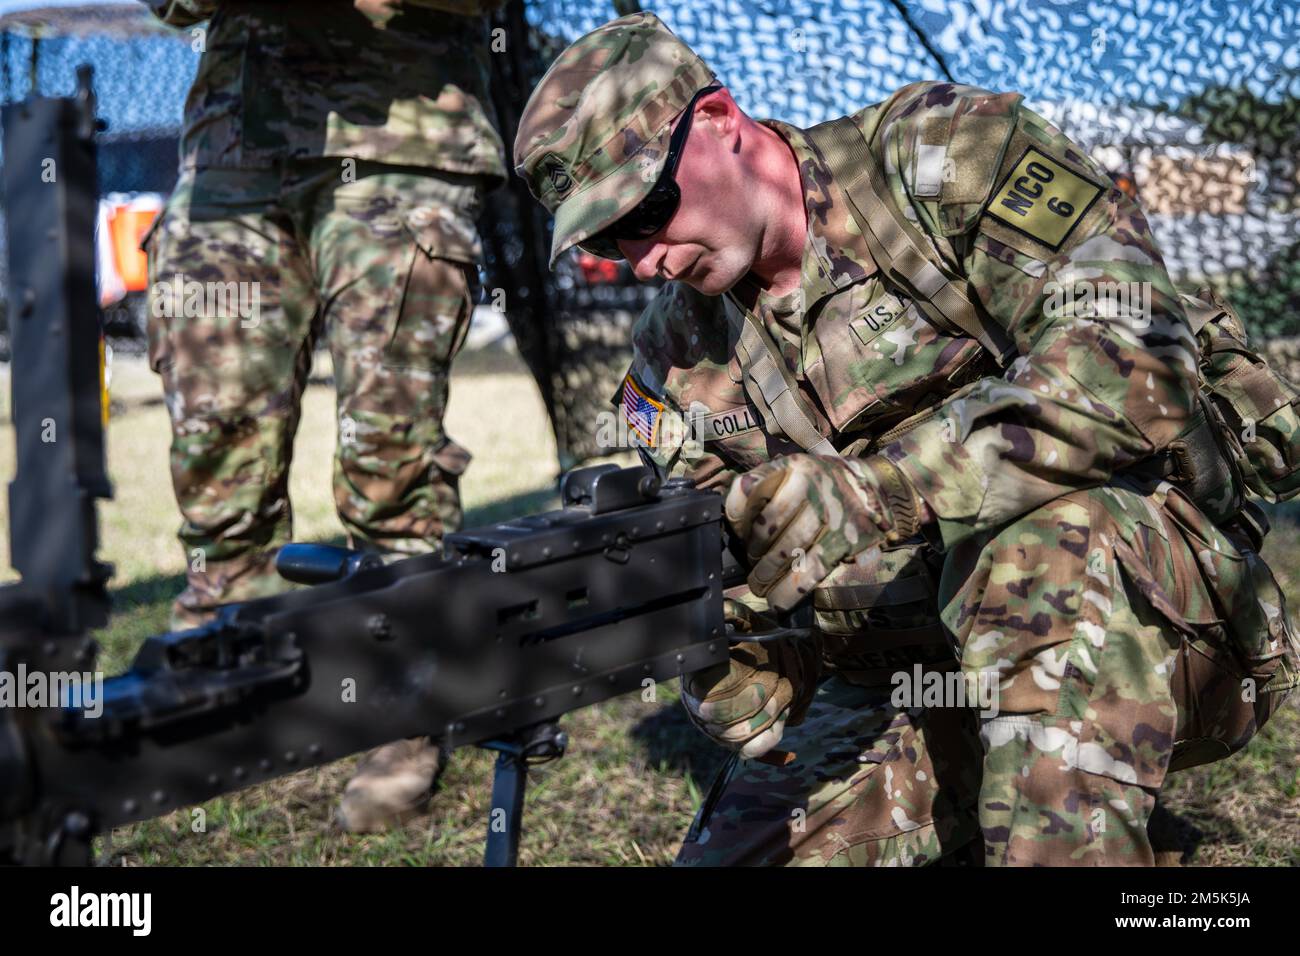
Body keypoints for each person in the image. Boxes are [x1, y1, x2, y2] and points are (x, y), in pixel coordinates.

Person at [513, 12, 1299, 865]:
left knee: (1046, 550)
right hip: (920, 677)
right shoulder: (674, 361)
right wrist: (737, 659)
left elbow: (1130, 357)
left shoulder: (943, 155)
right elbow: (739, 577)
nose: (644, 257)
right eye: (605, 238)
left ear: (719, 120)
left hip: (1166, 620)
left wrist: (884, 488)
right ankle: (1012, 792)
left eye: (649, 207)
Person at [142, 0, 507, 832]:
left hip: (404, 140)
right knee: (213, 432)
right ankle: (228, 665)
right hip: (233, 151)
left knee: (391, 448)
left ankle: (399, 701)